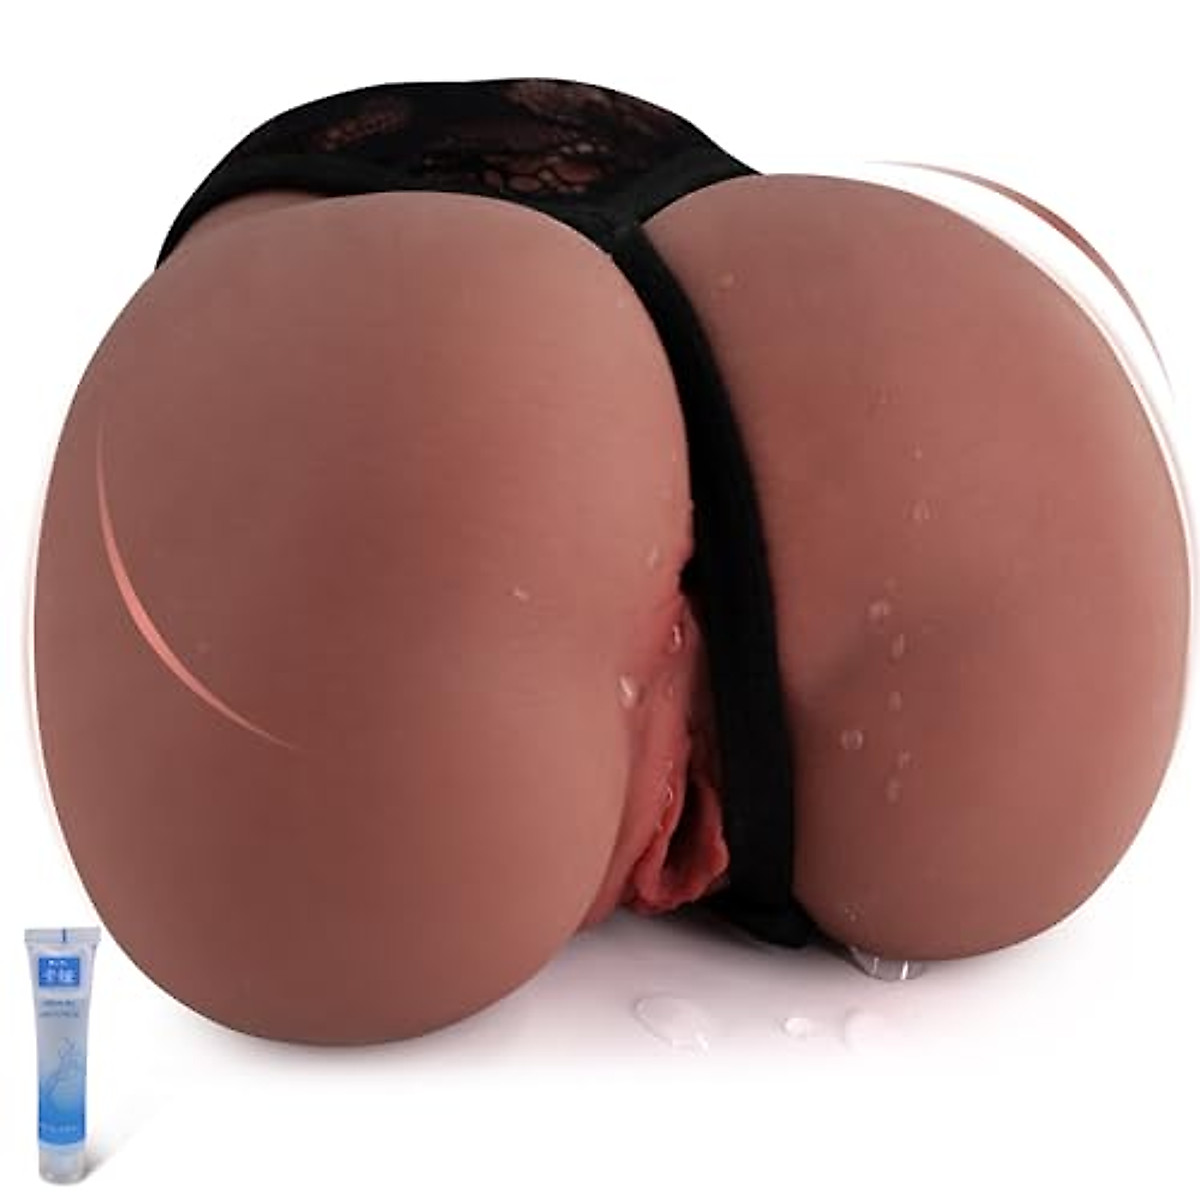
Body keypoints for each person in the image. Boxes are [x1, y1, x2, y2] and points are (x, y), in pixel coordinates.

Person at [33, 78, 1190, 1044]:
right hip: (827, 283)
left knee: (286, 928)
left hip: (361, 365)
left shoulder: (283, 300)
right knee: (998, 833)